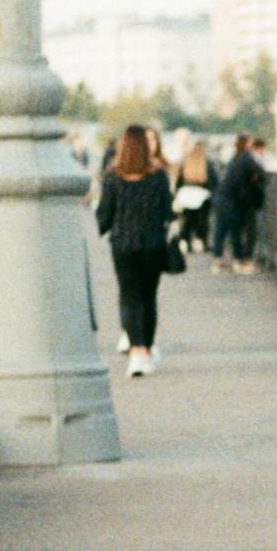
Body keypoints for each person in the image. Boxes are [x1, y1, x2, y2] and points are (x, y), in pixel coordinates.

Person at [92, 124, 173, 376]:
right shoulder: (158, 176)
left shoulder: (112, 176)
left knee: (129, 296)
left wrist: (106, 226)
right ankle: (146, 350)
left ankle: (136, 351)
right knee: (148, 297)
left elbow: (104, 215)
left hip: (123, 245)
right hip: (152, 244)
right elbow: (167, 212)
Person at [215, 133, 267, 272]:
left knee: (222, 229)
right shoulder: (246, 157)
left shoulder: (236, 157)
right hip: (232, 199)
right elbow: (261, 172)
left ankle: (219, 260)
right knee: (235, 230)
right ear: (247, 144)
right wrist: (255, 179)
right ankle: (239, 261)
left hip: (223, 197)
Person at [172, 135, 217, 254]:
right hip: (201, 194)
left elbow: (179, 179)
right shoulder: (206, 161)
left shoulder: (187, 159)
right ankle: (203, 242)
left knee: (187, 221)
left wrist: (177, 193)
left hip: (186, 194)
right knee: (202, 221)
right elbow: (212, 179)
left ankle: (186, 242)